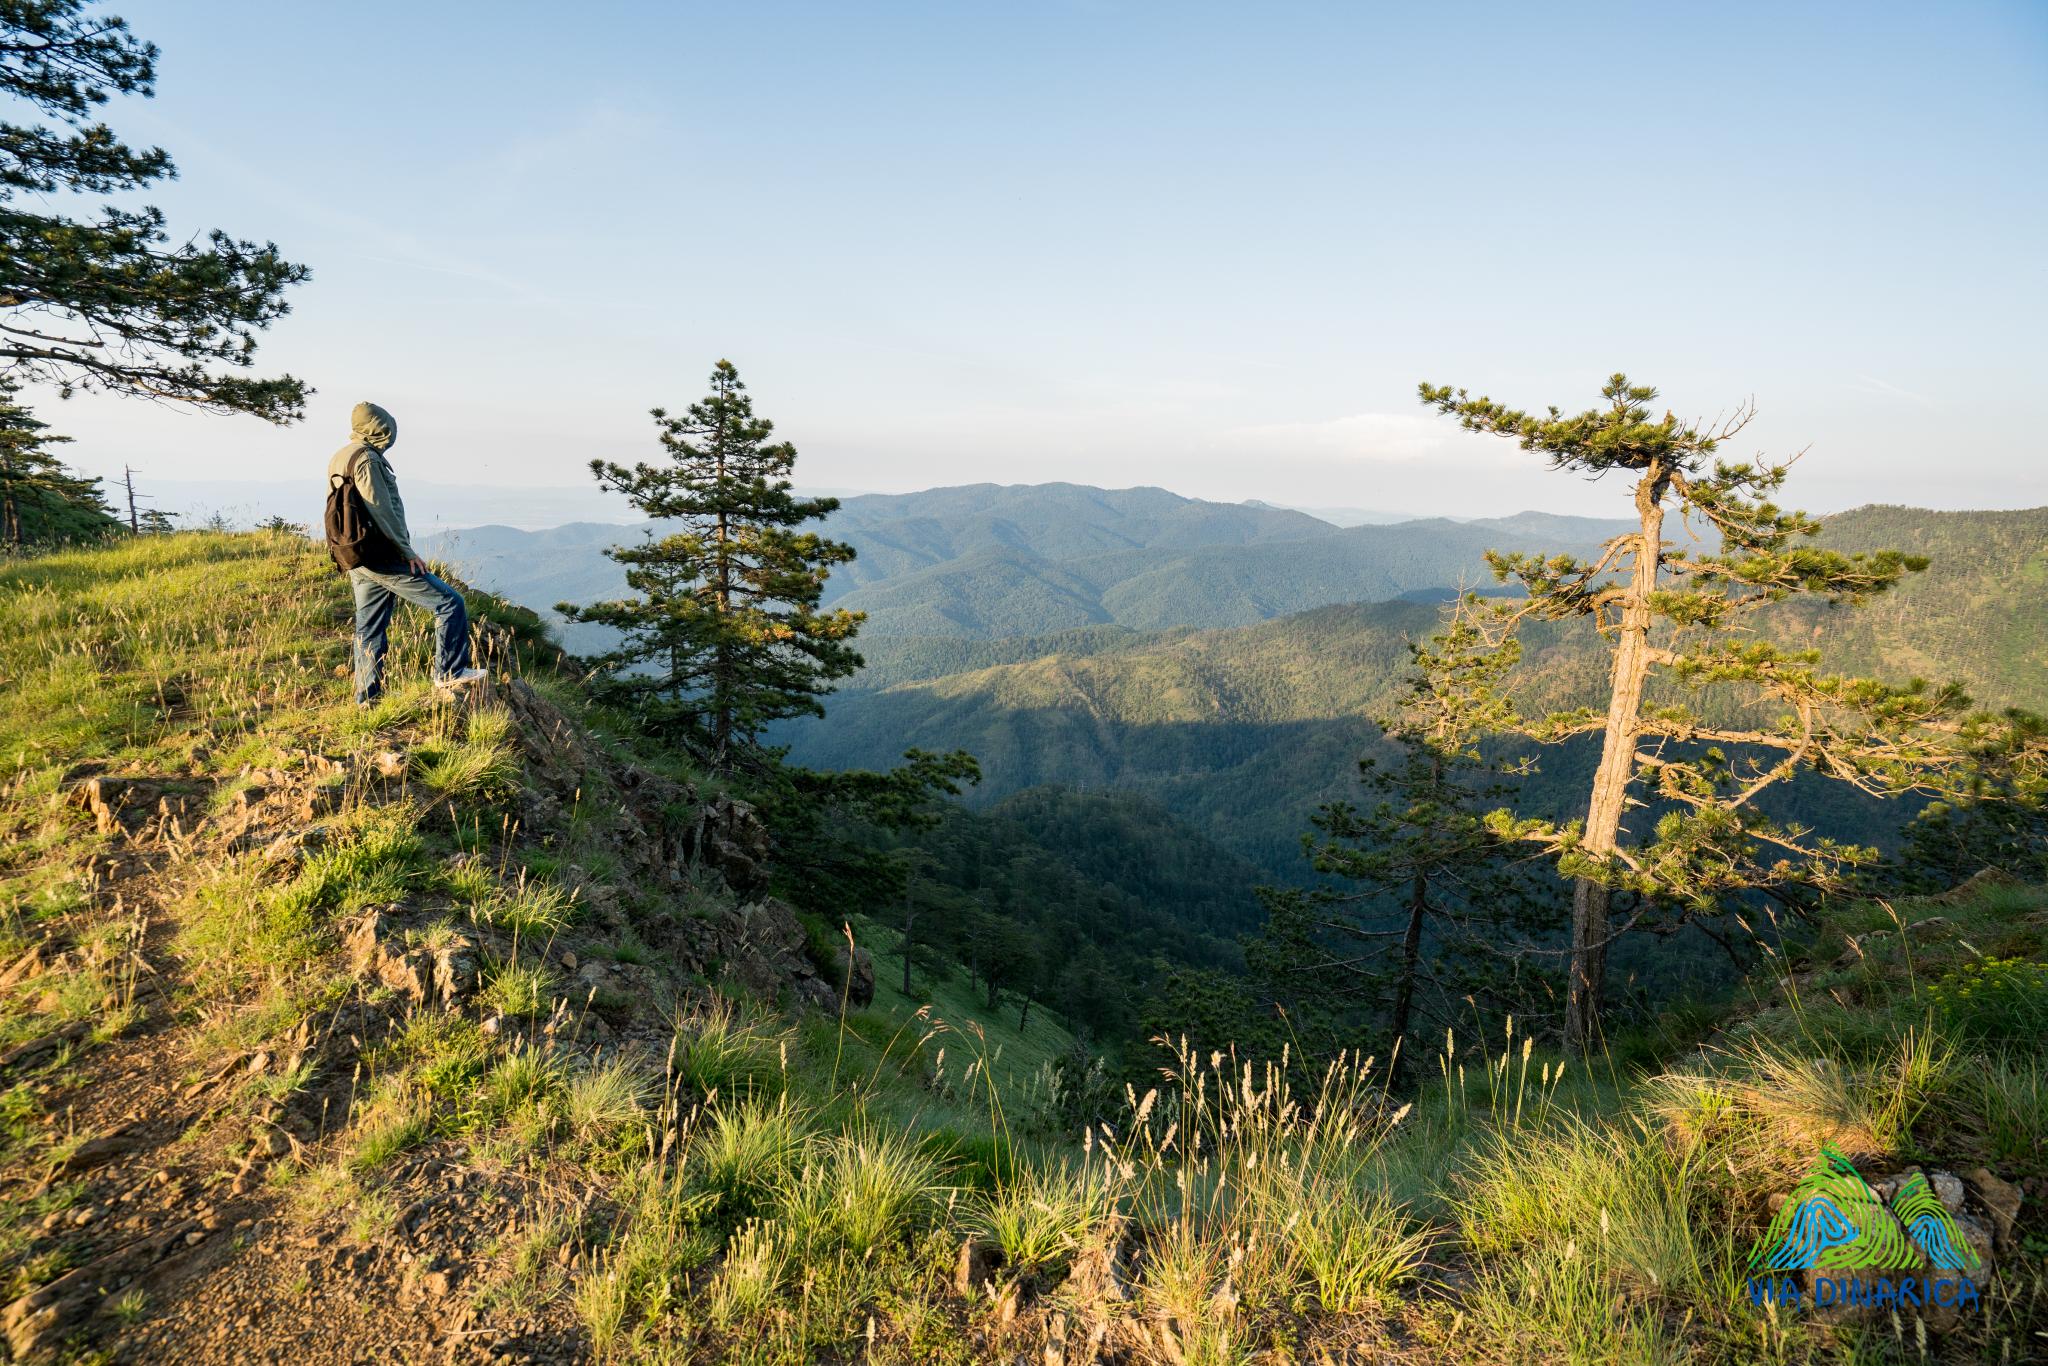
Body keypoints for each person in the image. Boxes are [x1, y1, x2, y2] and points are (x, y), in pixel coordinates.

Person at [326, 401, 485, 704]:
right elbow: (381, 509)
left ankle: (367, 699)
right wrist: (405, 550)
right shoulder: (367, 459)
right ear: (378, 428)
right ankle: (450, 672)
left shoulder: (340, 456)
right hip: (381, 553)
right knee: (450, 603)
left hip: (355, 553)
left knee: (369, 628)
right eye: (387, 429)